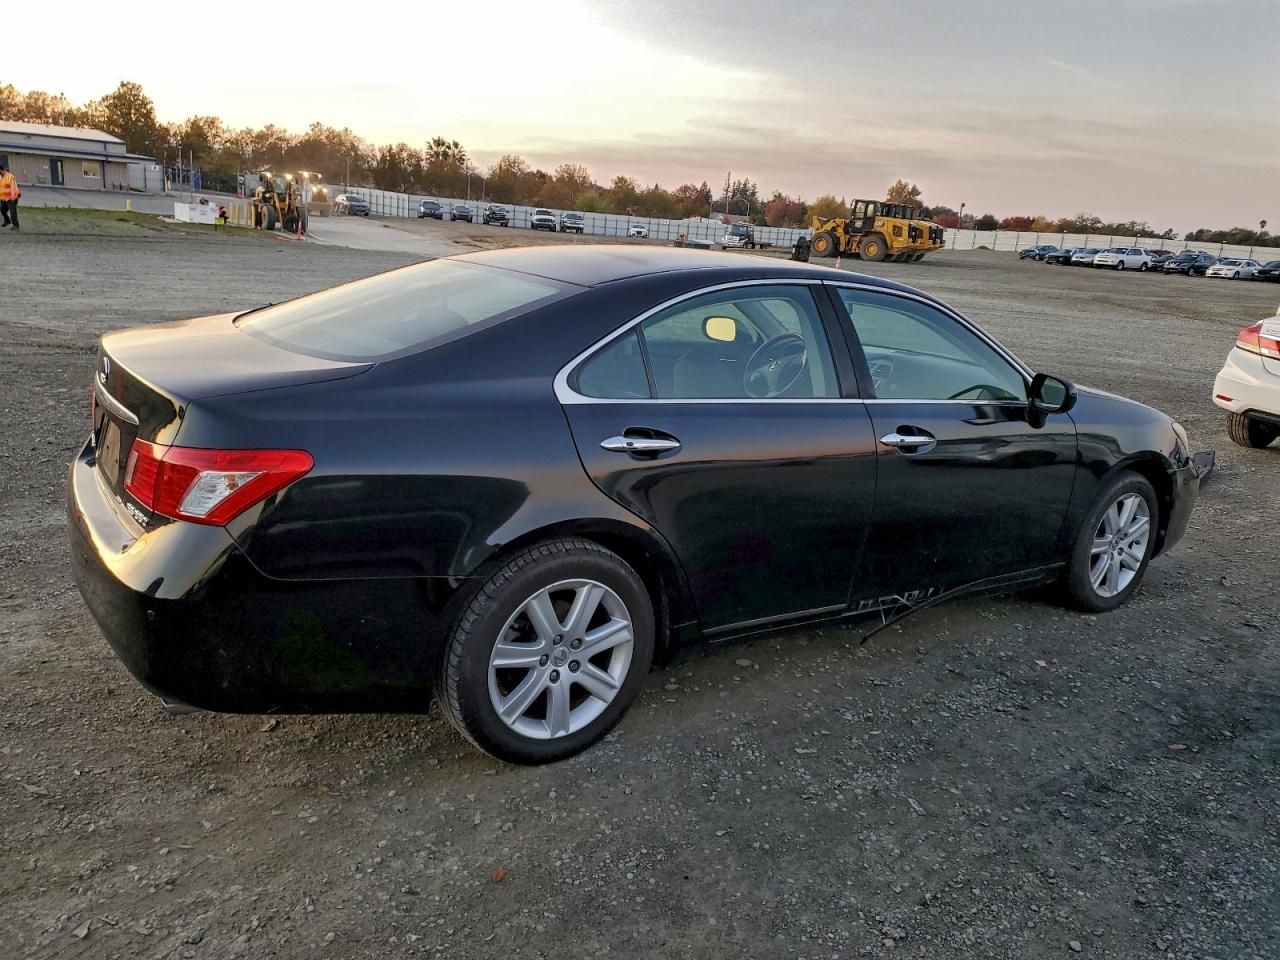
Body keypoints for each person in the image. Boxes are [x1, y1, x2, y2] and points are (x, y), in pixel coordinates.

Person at [0, 163, 19, 230]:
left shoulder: (10, 177)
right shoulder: (1, 177)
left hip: (12, 197)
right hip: (5, 198)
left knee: (12, 212)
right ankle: (7, 220)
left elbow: (13, 187)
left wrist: (13, 196)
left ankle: (16, 226)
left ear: (1, 170)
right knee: (2, 209)